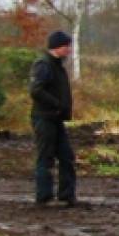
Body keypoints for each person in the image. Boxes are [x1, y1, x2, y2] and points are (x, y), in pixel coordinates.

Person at [30, 30, 77, 207]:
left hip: (55, 119)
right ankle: (44, 197)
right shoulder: (43, 65)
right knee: (46, 158)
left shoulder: (57, 66)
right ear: (57, 46)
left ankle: (66, 195)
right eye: (67, 46)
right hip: (44, 118)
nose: (69, 50)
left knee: (67, 157)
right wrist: (56, 104)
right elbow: (36, 90)